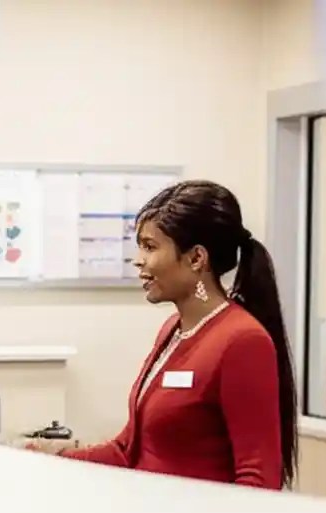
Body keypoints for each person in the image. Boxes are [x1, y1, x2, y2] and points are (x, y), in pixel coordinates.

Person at [42, 180, 297, 490]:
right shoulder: (173, 330)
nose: (138, 259)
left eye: (150, 247)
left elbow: (258, 479)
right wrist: (48, 457)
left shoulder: (242, 341)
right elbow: (128, 450)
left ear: (196, 258)